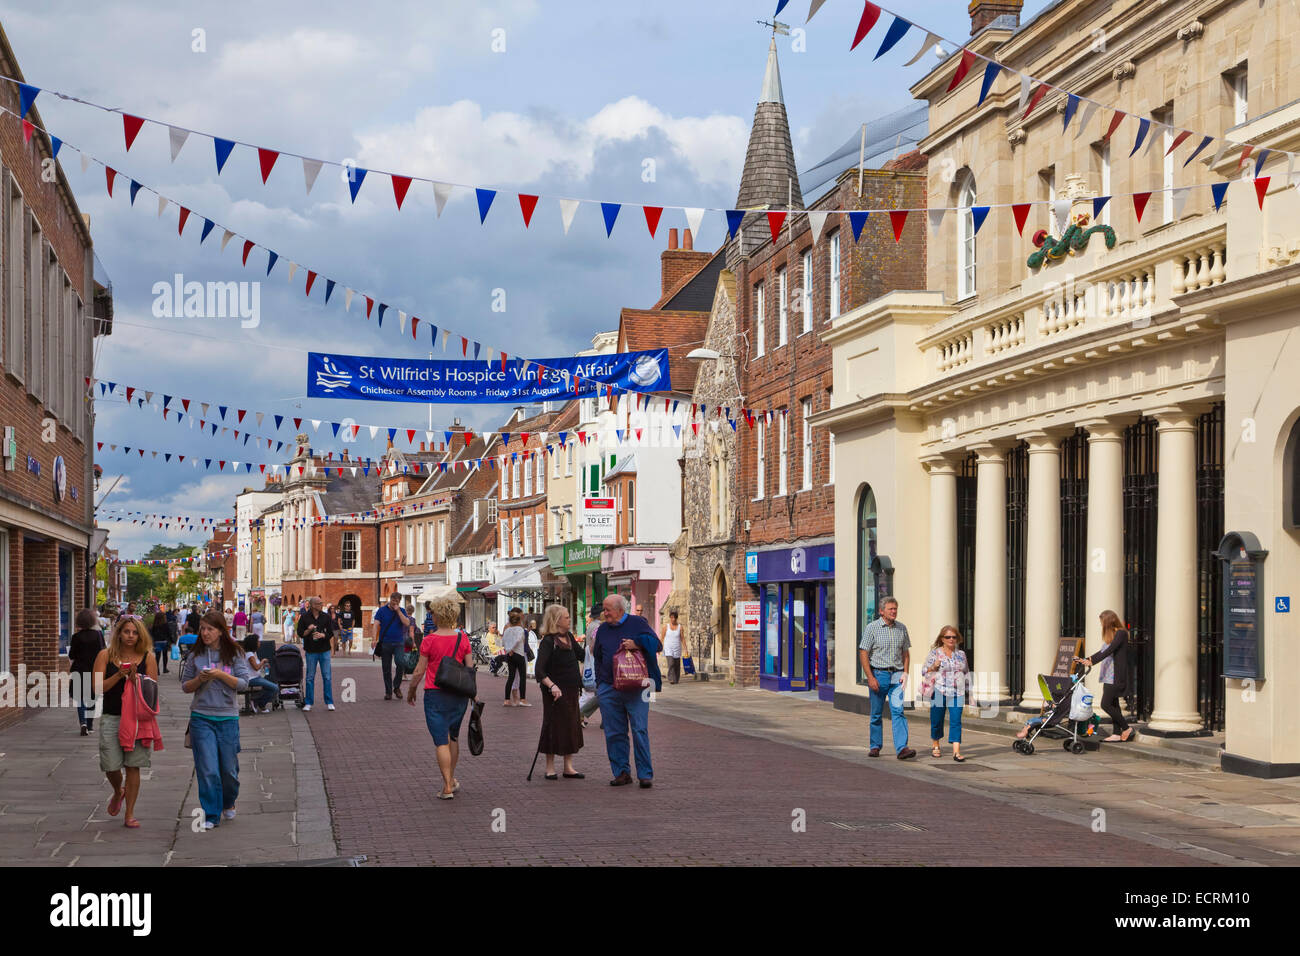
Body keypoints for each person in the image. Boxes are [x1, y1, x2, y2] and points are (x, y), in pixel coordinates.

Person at [181, 611, 254, 829]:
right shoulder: (196, 655)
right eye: (202, 628)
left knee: (229, 771)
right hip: (201, 717)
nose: (204, 633)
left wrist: (220, 674)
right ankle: (211, 814)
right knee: (208, 769)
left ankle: (229, 801)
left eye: (210, 629)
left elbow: (243, 684)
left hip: (227, 718)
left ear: (221, 631)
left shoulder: (234, 653)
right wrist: (199, 679)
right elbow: (185, 686)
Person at [406, 591, 474, 800]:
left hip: (435, 694)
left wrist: (411, 690)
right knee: (453, 737)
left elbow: (419, 670)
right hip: (459, 695)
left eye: (433, 613)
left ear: (437, 616)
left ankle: (446, 786)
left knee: (440, 741)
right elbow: (470, 668)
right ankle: (451, 779)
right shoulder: (463, 639)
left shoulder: (429, 640)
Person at [92, 615, 159, 828]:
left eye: (135, 632)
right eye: (126, 631)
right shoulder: (105, 655)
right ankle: (117, 790)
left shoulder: (147, 657)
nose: (130, 636)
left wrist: (135, 680)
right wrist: (119, 675)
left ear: (140, 635)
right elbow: (96, 687)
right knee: (110, 765)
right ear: (119, 633)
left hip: (137, 719)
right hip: (112, 716)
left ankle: (129, 813)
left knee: (133, 766)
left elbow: (152, 692)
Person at [591, 593, 661, 788]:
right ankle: (621, 772)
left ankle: (645, 774)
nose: (604, 613)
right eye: (604, 610)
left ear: (620, 610)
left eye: (608, 610)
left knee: (640, 730)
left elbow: (658, 645)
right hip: (609, 687)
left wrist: (637, 644)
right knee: (614, 733)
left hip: (637, 688)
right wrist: (600, 683)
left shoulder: (638, 623)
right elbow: (597, 656)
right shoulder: (603, 629)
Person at [858, 596, 916, 760]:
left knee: (898, 711)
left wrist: (905, 673)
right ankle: (875, 746)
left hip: (897, 675)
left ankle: (902, 748)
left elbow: (905, 652)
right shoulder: (872, 628)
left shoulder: (902, 628)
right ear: (881, 611)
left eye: (895, 609)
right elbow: (863, 652)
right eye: (890, 609)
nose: (894, 612)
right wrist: (870, 677)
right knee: (876, 713)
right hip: (879, 674)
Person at [535, 604, 585, 780]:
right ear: (556, 620)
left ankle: (568, 766)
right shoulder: (548, 642)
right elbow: (539, 671)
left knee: (571, 725)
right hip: (554, 693)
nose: (569, 619)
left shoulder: (570, 637)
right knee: (553, 726)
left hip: (571, 690)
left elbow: (583, 655)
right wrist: (552, 686)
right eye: (566, 617)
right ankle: (550, 767)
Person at [1076, 609, 1134, 743]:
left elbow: (1109, 651)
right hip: (1109, 675)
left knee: (1105, 704)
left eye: (1102, 622)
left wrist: (1092, 661)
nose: (1101, 625)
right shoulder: (1114, 634)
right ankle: (1116, 733)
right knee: (1114, 704)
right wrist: (1087, 659)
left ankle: (1126, 728)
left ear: (1108, 621)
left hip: (1116, 676)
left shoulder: (1121, 633)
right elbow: (1102, 651)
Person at [924, 625, 969, 762]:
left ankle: (956, 751)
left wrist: (968, 691)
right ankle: (936, 744)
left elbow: (966, 672)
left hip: (957, 692)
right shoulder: (935, 653)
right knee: (937, 720)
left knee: (956, 721)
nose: (951, 639)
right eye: (948, 637)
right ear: (942, 639)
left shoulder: (961, 655)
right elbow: (924, 671)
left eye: (954, 637)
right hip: (939, 690)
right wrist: (934, 666)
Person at [372, 591, 414, 700]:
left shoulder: (402, 611)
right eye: (393, 600)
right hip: (385, 643)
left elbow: (407, 623)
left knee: (401, 663)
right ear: (390, 599)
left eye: (397, 601)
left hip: (399, 643)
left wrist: (398, 611)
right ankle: (388, 692)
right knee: (386, 668)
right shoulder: (382, 611)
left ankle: (396, 687)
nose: (394, 603)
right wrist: (373, 639)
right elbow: (376, 625)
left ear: (399, 602)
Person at [69, 609, 105, 735]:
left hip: (79, 669)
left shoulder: (76, 637)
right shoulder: (98, 635)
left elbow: (72, 655)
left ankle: (82, 722)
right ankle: (90, 726)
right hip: (95, 670)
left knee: (80, 698)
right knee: (92, 699)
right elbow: (103, 652)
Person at [297, 596, 336, 712]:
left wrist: (323, 635)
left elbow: (331, 633)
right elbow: (300, 634)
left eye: (321, 603)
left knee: (327, 676)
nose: (321, 605)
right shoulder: (304, 617)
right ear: (313, 605)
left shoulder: (326, 617)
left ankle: (329, 702)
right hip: (311, 651)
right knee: (309, 677)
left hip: (324, 650)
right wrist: (309, 630)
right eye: (319, 603)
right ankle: (308, 702)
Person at [579, 604, 604, 727]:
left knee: (599, 693)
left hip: (591, 661)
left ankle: (605, 720)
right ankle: (580, 714)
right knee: (601, 693)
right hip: (596, 662)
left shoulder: (590, 626)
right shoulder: (599, 627)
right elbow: (593, 648)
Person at [242, 635, 279, 713]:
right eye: (258, 642)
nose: (259, 643)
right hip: (251, 679)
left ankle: (260, 703)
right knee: (275, 688)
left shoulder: (254, 653)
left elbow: (257, 668)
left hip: (256, 677)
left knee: (271, 688)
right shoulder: (249, 654)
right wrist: (263, 661)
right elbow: (256, 667)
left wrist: (264, 665)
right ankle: (256, 701)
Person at [501, 609, 530, 707]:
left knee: (511, 677)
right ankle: (523, 699)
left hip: (510, 655)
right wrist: (512, 648)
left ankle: (506, 700)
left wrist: (508, 650)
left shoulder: (507, 630)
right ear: (519, 621)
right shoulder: (520, 629)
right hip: (519, 654)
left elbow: (503, 642)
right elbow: (518, 640)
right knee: (522, 677)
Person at [660, 610, 684, 685]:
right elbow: (662, 638)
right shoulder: (666, 627)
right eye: (671, 617)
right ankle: (671, 679)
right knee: (671, 663)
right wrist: (659, 647)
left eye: (674, 618)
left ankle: (676, 679)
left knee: (677, 664)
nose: (673, 619)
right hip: (668, 648)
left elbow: (682, 638)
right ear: (670, 618)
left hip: (677, 648)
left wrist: (685, 649)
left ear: (676, 618)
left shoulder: (680, 627)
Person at [150, 607, 173, 674]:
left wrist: (153, 641)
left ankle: (157, 670)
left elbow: (152, 633)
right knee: (165, 655)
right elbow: (169, 633)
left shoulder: (155, 624)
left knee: (157, 656)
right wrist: (171, 641)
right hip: (164, 641)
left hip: (157, 642)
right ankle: (164, 668)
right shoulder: (165, 624)